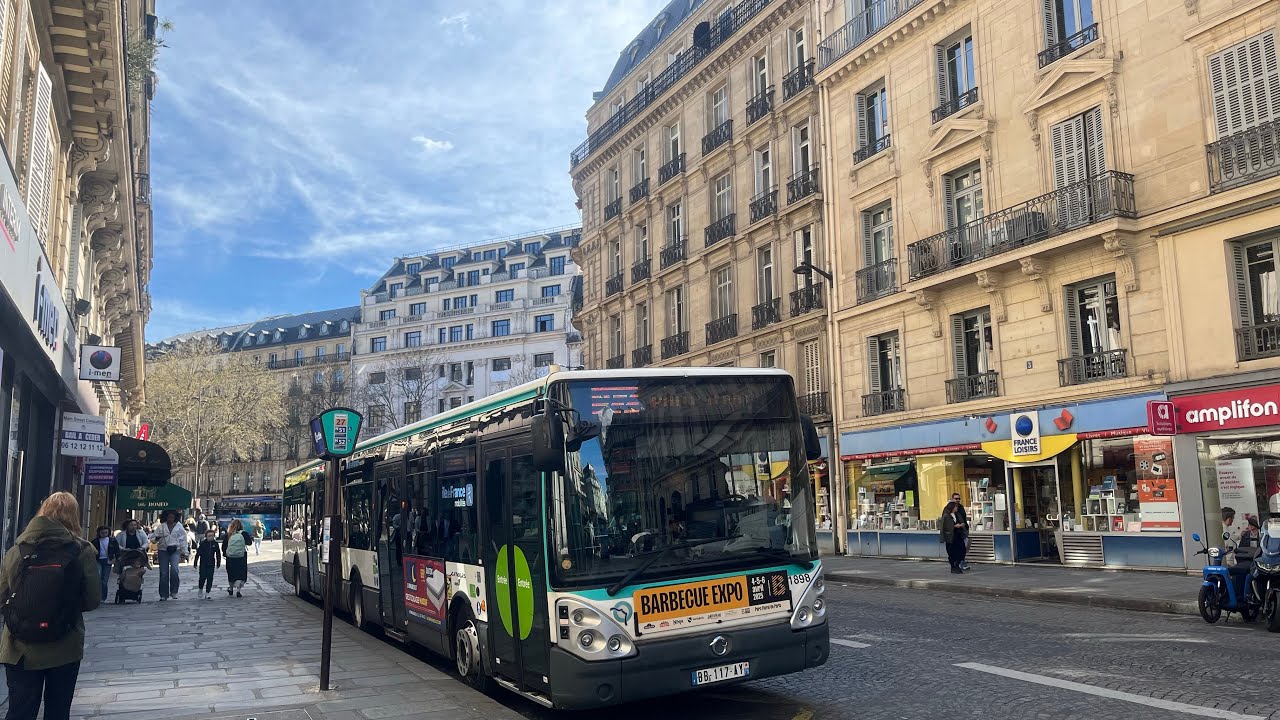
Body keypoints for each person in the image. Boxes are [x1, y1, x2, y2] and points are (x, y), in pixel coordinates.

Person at [0, 492, 100, 720]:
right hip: (65, 644)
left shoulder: (16, 551)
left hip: (19, 647)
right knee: (57, 711)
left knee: (20, 711)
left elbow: (2, 596)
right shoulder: (82, 551)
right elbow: (92, 599)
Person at [149, 511, 188, 601]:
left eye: (172, 517)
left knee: (174, 569)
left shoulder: (179, 526)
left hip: (175, 550)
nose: (170, 519)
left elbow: (183, 540)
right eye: (168, 517)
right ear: (165, 517)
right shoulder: (161, 526)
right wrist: (157, 539)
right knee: (163, 573)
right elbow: (153, 539)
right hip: (163, 550)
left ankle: (174, 591)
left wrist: (185, 552)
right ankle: (163, 594)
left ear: (175, 518)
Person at [91, 526, 120, 603]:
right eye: (102, 533)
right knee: (98, 578)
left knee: (104, 580)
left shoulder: (112, 541)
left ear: (108, 533)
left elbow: (117, 550)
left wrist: (117, 559)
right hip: (98, 560)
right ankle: (98, 596)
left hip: (108, 561)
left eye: (105, 533)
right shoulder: (95, 541)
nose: (104, 534)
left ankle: (103, 597)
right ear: (99, 533)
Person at [221, 520, 249, 598]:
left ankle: (231, 588)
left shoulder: (229, 534)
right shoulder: (243, 533)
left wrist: (225, 554)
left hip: (230, 557)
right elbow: (249, 542)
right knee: (241, 573)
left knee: (231, 573)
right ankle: (238, 590)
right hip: (241, 556)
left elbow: (223, 546)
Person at [940, 501, 968, 574]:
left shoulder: (957, 515)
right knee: (952, 552)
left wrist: (962, 525)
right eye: (955, 507)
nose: (956, 508)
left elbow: (962, 521)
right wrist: (954, 526)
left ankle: (957, 564)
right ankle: (953, 567)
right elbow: (943, 527)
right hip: (950, 536)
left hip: (958, 535)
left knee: (962, 551)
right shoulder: (946, 516)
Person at [193, 529, 221, 600]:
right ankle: (200, 588)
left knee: (210, 578)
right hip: (203, 563)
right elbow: (198, 553)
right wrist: (195, 562)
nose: (211, 537)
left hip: (211, 563)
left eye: (212, 536)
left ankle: (208, 592)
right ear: (206, 536)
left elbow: (218, 553)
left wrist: (218, 562)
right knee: (202, 577)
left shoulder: (215, 544)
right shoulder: (203, 543)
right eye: (209, 536)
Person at [951, 492, 971, 571]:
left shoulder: (961, 507)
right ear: (952, 499)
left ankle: (961, 562)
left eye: (959, 498)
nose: (958, 500)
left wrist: (965, 527)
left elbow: (964, 518)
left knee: (963, 547)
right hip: (955, 531)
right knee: (959, 548)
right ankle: (959, 563)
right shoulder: (949, 509)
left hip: (962, 530)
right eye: (956, 498)